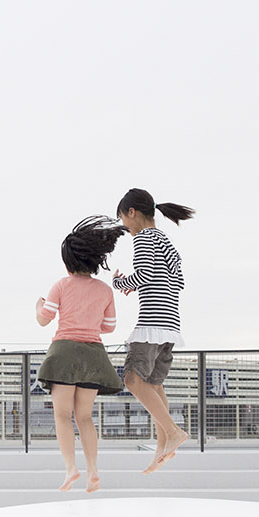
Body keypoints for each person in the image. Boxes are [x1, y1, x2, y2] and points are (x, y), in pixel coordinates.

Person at [35, 216, 124, 492]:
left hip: (64, 353)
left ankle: (71, 469)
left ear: (68, 261)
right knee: (84, 417)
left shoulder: (60, 285)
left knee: (62, 415)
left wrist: (38, 305)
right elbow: (108, 328)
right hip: (93, 356)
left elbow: (44, 319)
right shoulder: (104, 290)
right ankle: (93, 470)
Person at [111, 189, 195, 473]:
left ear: (132, 212)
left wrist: (122, 283)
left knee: (133, 380)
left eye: (123, 219)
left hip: (152, 323)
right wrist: (140, 284)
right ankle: (163, 447)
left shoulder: (144, 238)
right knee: (155, 386)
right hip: (171, 324)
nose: (124, 226)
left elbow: (146, 274)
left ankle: (172, 432)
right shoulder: (167, 242)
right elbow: (177, 282)